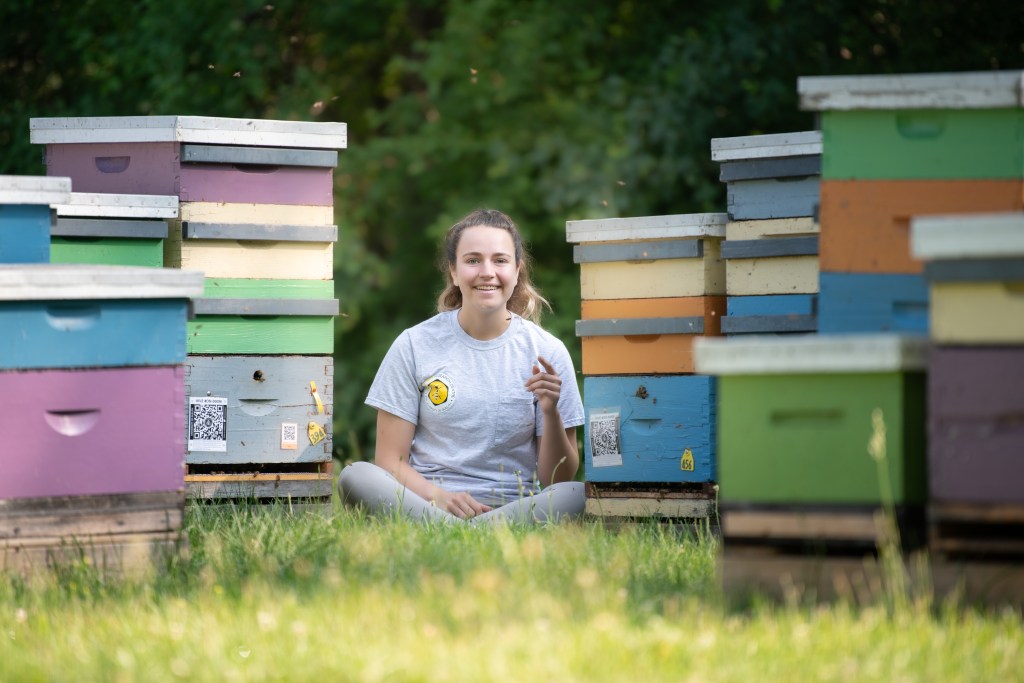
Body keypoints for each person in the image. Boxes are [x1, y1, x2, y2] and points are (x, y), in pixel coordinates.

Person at [339, 208, 586, 524]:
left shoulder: (547, 352)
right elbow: (390, 461)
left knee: (579, 495)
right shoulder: (414, 344)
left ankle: (458, 533)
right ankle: (463, 531)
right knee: (355, 476)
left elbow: (558, 480)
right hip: (428, 505)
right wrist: (439, 498)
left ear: (517, 270)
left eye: (500, 260)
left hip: (512, 509)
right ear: (454, 273)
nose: (487, 272)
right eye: (473, 260)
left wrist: (550, 412)